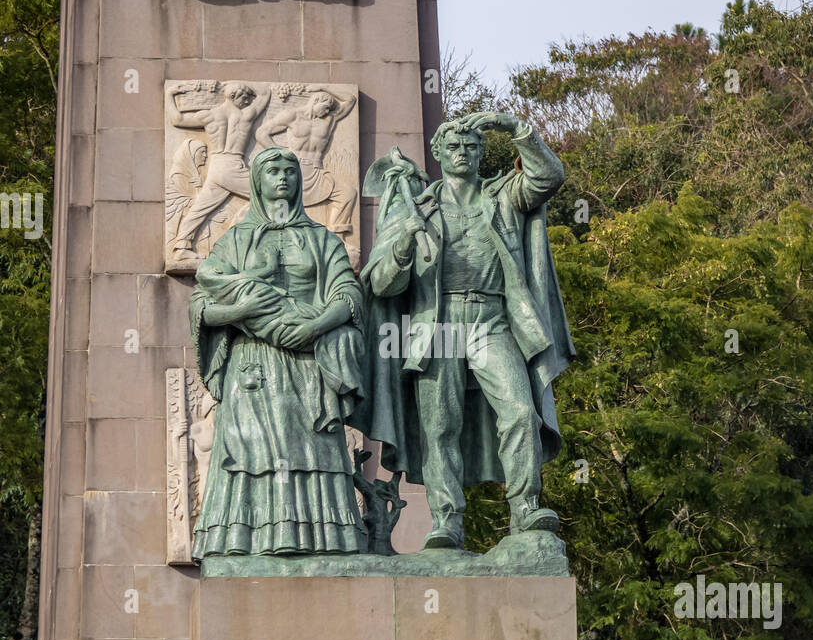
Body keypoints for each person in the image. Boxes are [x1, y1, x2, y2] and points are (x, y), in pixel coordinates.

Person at [358, 112, 575, 549]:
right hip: (436, 325)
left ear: (481, 153)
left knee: (518, 409)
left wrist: (513, 125)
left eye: (471, 146)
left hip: (493, 319)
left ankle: (525, 507)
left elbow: (550, 176)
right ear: (437, 154)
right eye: (453, 147)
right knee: (440, 427)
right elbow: (381, 282)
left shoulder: (503, 196)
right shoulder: (415, 208)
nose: (462, 153)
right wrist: (403, 242)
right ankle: (447, 520)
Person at [190, 148, 367, 564]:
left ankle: (323, 542)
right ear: (257, 181)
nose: (283, 177)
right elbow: (202, 305)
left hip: (310, 361)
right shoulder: (234, 241)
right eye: (273, 170)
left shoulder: (323, 240)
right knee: (253, 451)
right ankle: (245, 543)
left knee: (313, 451)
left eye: (290, 170)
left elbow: (349, 295)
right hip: (253, 363)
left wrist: (316, 326)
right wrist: (240, 312)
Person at [167, 82, 270, 265]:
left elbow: (178, 120)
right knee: (269, 196)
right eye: (244, 97)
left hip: (216, 166)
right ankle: (237, 240)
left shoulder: (209, 115)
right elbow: (265, 93)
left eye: (248, 98)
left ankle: (182, 247)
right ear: (233, 96)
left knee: (200, 209)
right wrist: (249, 87)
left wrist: (170, 95)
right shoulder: (246, 116)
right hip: (232, 165)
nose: (247, 101)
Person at [258, 84, 358, 235]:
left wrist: (324, 86)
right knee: (277, 203)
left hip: (317, 171)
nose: (327, 111)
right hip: (294, 171)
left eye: (330, 109)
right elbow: (261, 133)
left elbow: (350, 99)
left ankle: (337, 237)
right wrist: (280, 155)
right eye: (325, 107)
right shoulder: (292, 115)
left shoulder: (329, 119)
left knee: (347, 193)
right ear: (316, 102)